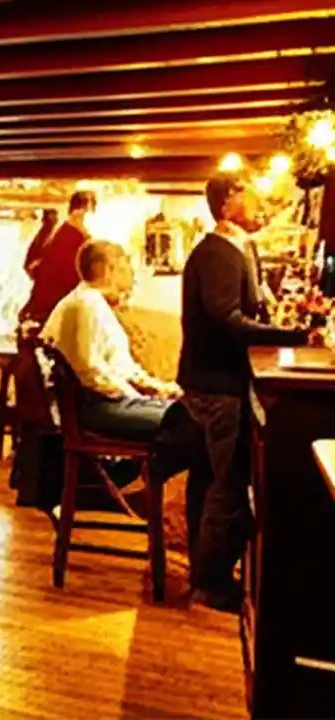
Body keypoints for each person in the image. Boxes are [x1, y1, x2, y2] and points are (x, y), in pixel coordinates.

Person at [178, 174, 321, 612]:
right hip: (216, 385)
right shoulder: (218, 252)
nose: (258, 202)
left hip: (210, 381)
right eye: (247, 194)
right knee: (224, 482)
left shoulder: (238, 247)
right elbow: (227, 319)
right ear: (226, 204)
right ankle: (212, 582)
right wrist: (293, 337)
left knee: (211, 478)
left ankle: (206, 572)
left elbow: (245, 308)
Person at [41, 240, 201, 486]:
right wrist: (137, 396)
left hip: (104, 401)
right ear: (109, 269)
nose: (132, 276)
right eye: (126, 267)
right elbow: (89, 372)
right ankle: (144, 472)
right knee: (192, 422)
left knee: (190, 414)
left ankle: (136, 472)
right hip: (97, 407)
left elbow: (119, 367)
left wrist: (156, 387)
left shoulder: (89, 303)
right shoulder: (84, 305)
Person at [21, 191, 96, 325]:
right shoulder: (70, 237)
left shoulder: (66, 234)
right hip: (53, 310)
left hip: (50, 309)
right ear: (81, 211)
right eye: (90, 211)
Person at [23, 209, 60, 280]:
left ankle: (48, 216)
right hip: (37, 259)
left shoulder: (35, 271)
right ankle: (48, 216)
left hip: (36, 258)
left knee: (46, 232)